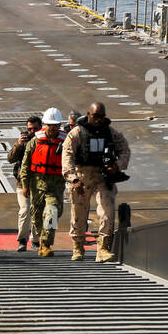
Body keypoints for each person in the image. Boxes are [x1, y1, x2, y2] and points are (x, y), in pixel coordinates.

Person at [62, 102, 131, 262]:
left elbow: (124, 150)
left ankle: (103, 248)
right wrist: (74, 179)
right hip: (81, 177)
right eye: (96, 116)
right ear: (88, 114)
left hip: (102, 177)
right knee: (78, 214)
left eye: (102, 116)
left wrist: (117, 166)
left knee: (107, 210)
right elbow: (67, 156)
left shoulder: (110, 133)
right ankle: (78, 247)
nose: (99, 120)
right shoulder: (77, 133)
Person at [19, 108, 67, 258]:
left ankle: (46, 244)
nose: (52, 128)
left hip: (56, 185)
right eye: (50, 125)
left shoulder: (66, 142)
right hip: (37, 184)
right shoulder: (35, 141)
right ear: (45, 125)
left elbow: (72, 161)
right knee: (37, 216)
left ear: (59, 126)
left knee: (51, 212)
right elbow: (25, 165)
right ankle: (41, 239)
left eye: (56, 125)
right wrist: (25, 184)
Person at [6, 115, 43, 251]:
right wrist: (18, 144)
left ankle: (36, 240)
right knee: (25, 210)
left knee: (37, 212)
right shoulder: (24, 141)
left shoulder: (45, 141)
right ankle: (22, 240)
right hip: (23, 184)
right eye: (29, 129)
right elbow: (10, 158)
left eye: (35, 129)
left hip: (40, 183)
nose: (32, 132)